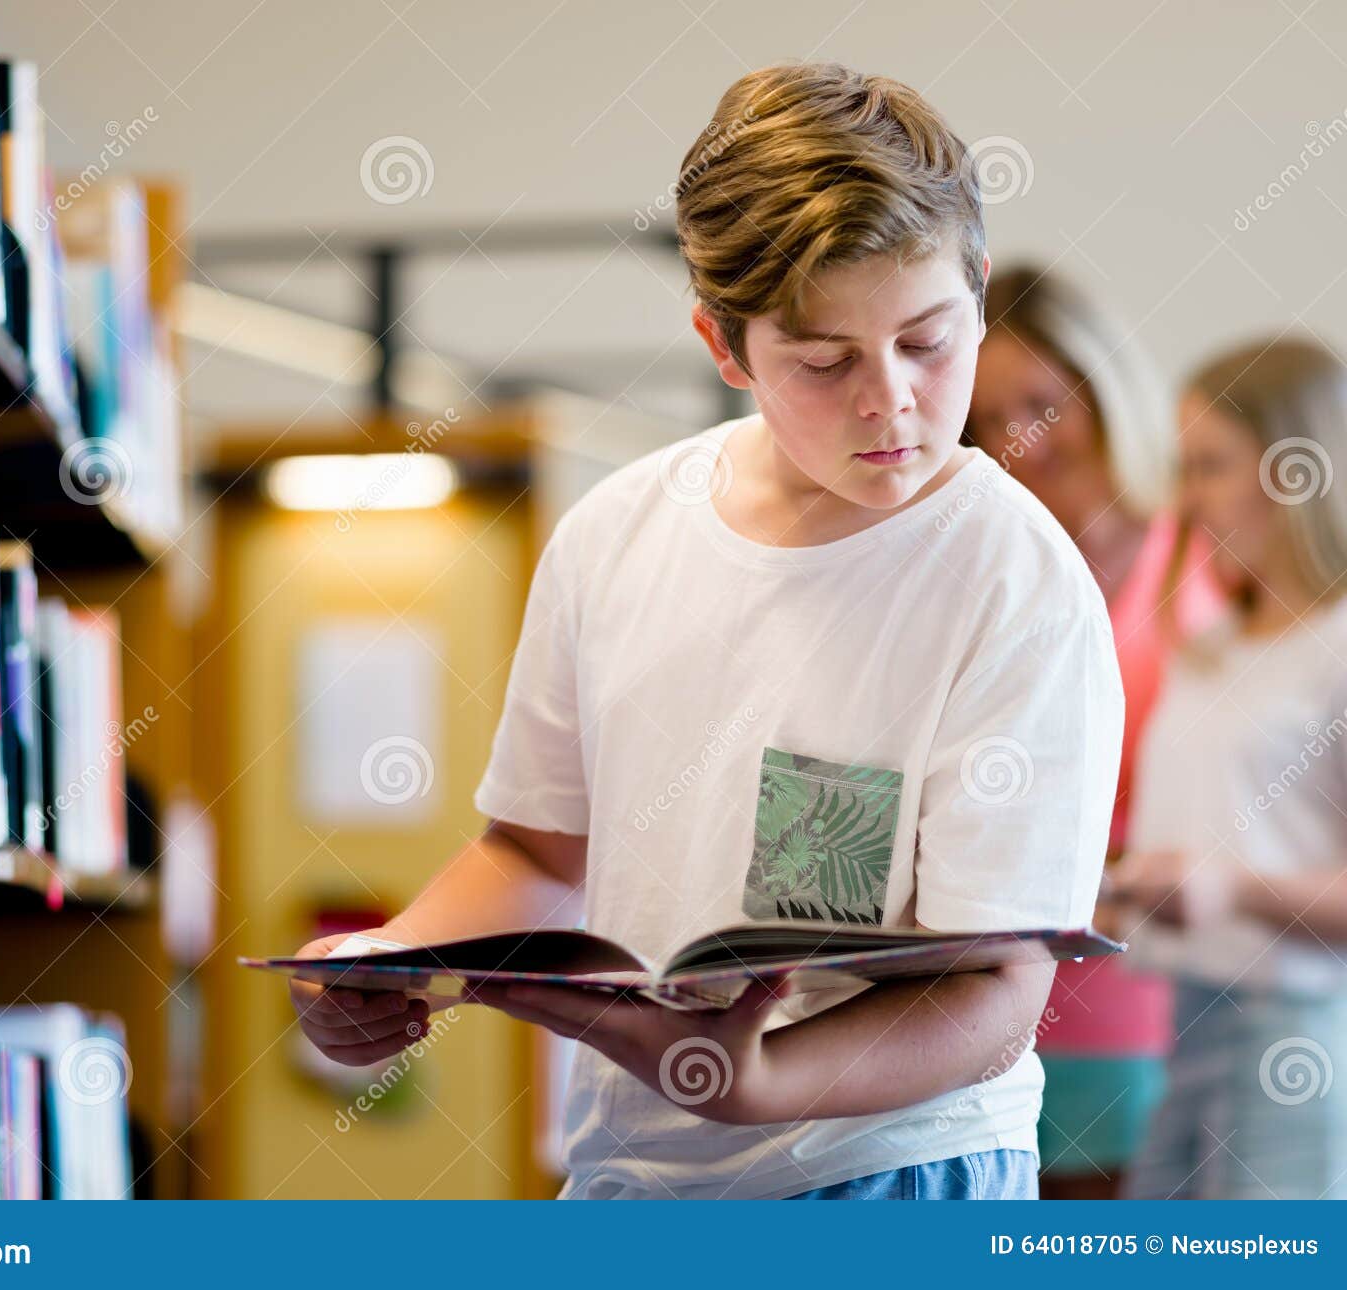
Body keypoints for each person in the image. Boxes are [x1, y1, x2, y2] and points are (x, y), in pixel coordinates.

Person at [288, 61, 1124, 1200]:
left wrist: (756, 1084)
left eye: (928, 341)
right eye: (823, 362)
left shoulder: (1016, 581)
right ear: (723, 347)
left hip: (893, 1176)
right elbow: (536, 853)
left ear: (977, 285)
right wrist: (393, 966)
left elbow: (993, 998)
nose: (891, 403)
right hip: (626, 1175)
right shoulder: (615, 534)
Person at [965, 267, 1223, 1197]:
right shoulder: (986, 581)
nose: (1019, 442)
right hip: (988, 1017)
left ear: (1103, 391)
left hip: (1166, 1006)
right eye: (990, 418)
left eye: (1043, 404)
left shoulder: (1206, 561)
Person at [1112, 338, 1347, 1200]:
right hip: (1187, 1021)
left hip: (1299, 1039)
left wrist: (1233, 889)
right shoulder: (1209, 650)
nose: (1187, 499)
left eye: (1211, 464)